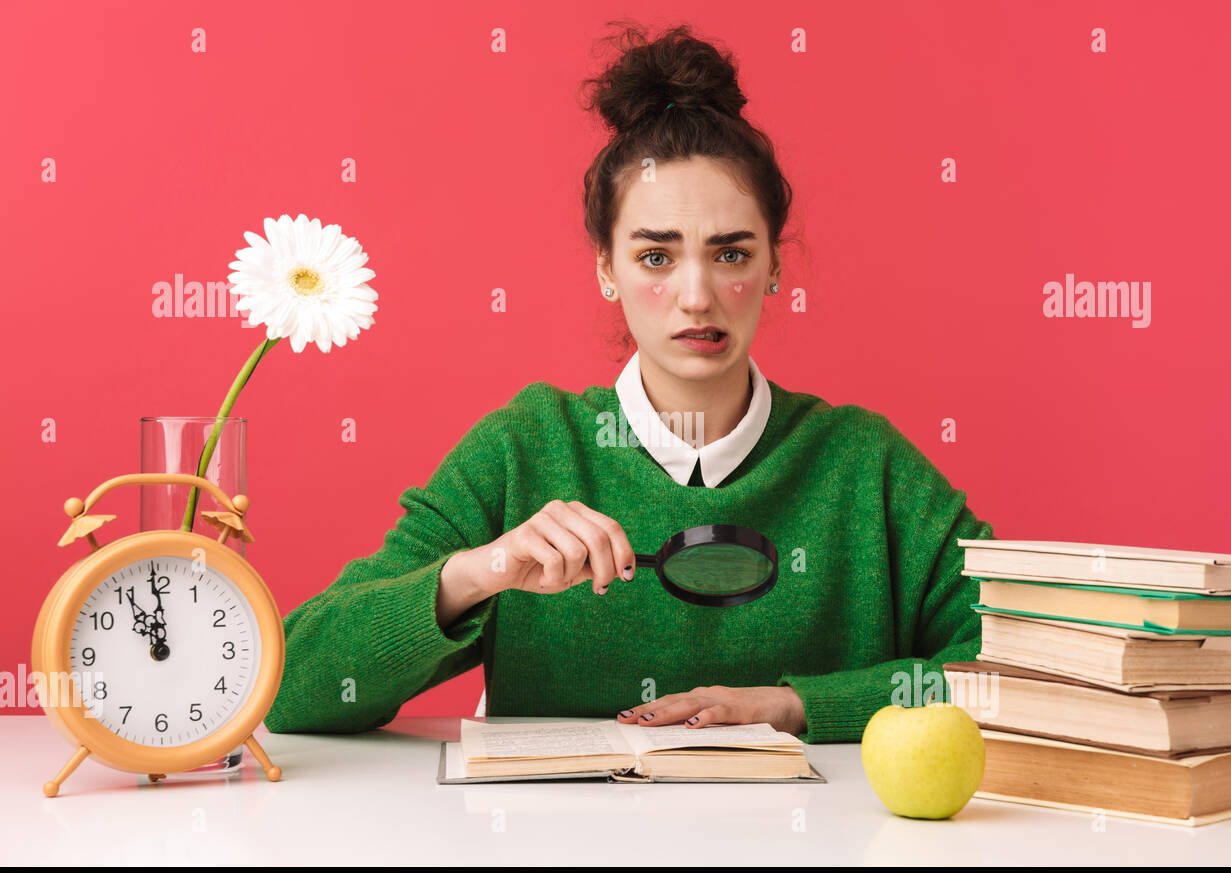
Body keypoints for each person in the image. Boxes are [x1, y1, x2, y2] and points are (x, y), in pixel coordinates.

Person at [263, 21, 996, 744]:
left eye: (732, 254)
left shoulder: (865, 467)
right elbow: (292, 686)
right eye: (655, 258)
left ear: (774, 266)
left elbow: (1020, 666)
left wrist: (796, 707)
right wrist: (482, 571)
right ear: (605, 269)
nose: (697, 295)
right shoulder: (526, 448)